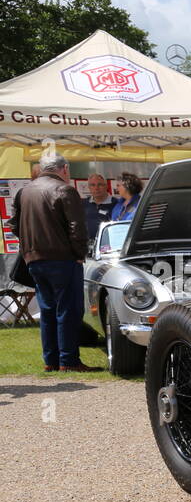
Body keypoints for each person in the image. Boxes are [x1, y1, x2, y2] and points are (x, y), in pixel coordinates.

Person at [19, 151, 92, 372]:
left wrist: (29, 245)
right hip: (62, 259)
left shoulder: (25, 191)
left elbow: (14, 224)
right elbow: (77, 228)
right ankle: (68, 360)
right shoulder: (64, 189)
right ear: (65, 169)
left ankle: (51, 360)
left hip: (34, 259)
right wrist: (79, 254)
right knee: (68, 309)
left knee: (48, 309)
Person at [83, 173, 121, 244]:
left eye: (100, 184)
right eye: (93, 185)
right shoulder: (83, 204)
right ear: (89, 187)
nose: (96, 188)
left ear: (106, 186)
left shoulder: (116, 204)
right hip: (87, 247)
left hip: (108, 245)